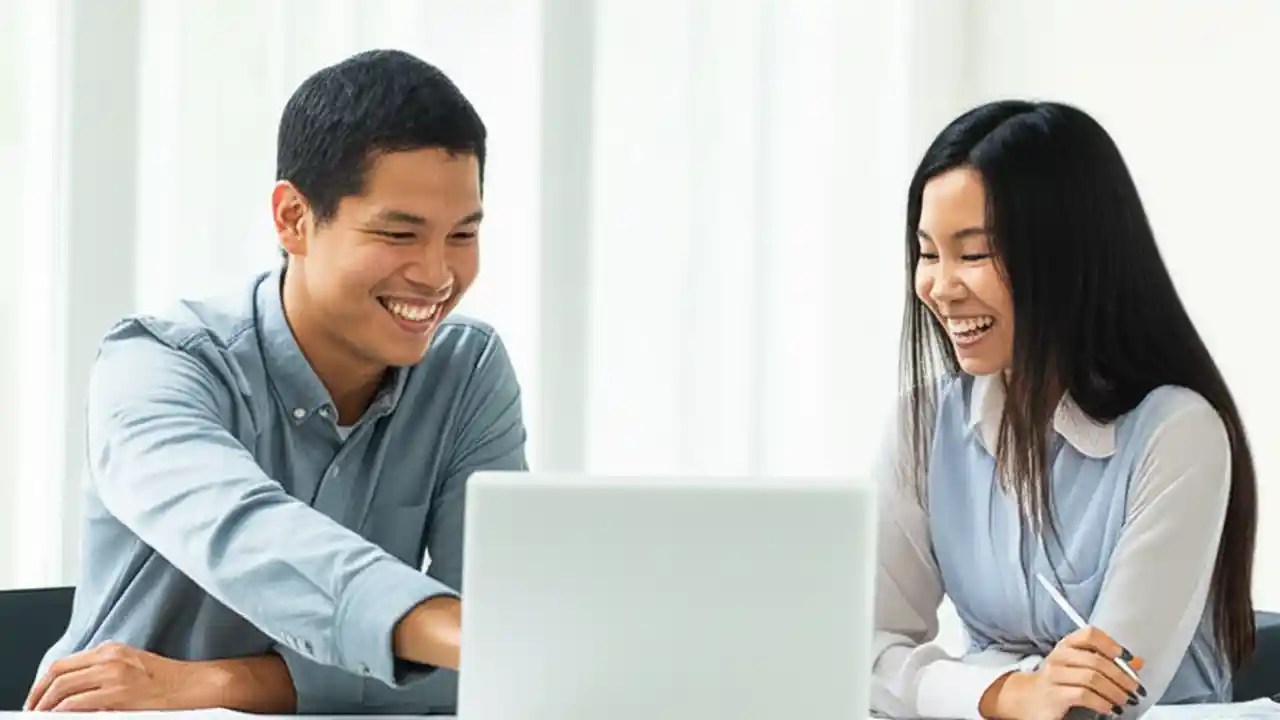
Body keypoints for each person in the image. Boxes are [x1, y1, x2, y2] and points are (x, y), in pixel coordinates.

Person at [25, 49, 525, 714]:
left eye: (462, 234)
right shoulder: (154, 366)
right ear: (293, 218)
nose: (436, 276)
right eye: (399, 234)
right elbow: (247, 534)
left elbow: (492, 665)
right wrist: (468, 636)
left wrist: (224, 682)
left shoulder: (467, 372)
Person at [870, 100, 1257, 719]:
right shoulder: (922, 428)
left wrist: (955, 683)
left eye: (972, 254)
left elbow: (1102, 701)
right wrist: (1007, 692)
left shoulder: (1177, 434)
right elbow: (863, 655)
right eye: (926, 253)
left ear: (1066, 257)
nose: (940, 287)